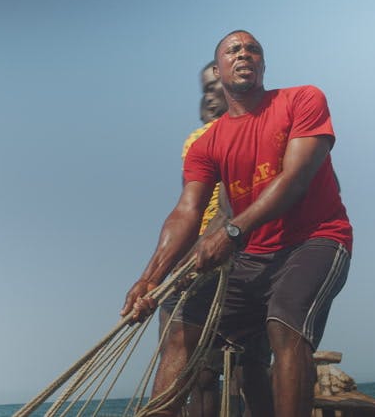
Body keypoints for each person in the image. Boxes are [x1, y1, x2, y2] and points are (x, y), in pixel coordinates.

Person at [120, 30, 352, 417]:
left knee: (284, 322)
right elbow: (187, 212)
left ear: (263, 64)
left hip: (316, 240)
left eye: (253, 49)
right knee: (182, 323)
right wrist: (150, 278)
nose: (244, 53)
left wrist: (231, 232)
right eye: (233, 50)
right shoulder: (206, 144)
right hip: (253, 254)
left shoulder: (303, 99)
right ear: (219, 67)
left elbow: (295, 179)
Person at [158, 60, 272, 417]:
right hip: (201, 256)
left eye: (216, 87)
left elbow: (233, 205)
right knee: (199, 368)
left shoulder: (257, 132)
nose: (209, 97)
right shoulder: (196, 142)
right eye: (204, 89)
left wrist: (212, 246)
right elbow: (189, 210)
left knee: (249, 364)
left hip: (241, 253)